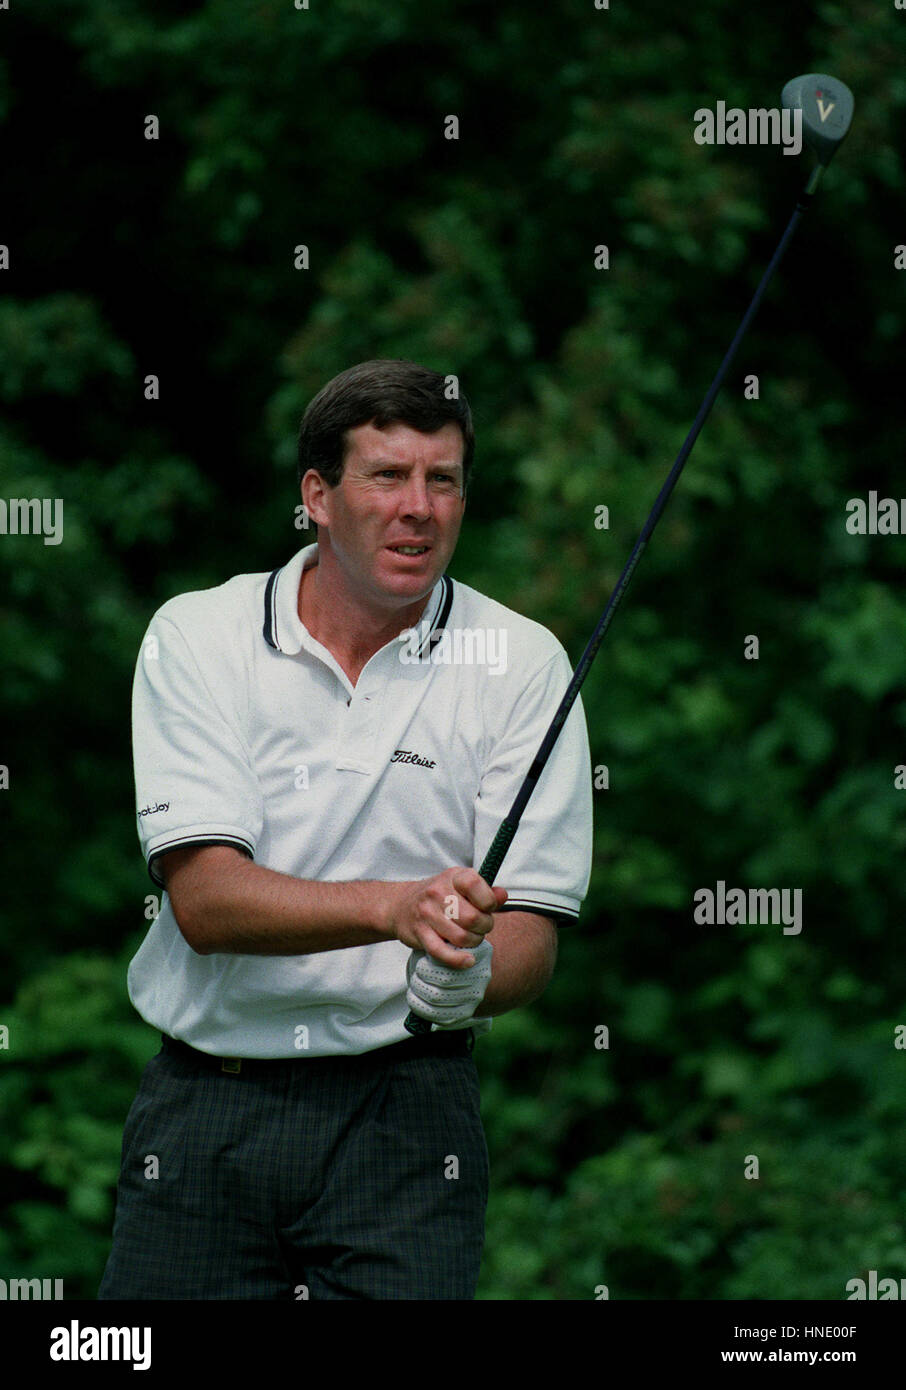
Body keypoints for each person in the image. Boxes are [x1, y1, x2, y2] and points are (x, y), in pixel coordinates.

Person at [98, 358, 592, 1301]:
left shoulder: (524, 663)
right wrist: (401, 910)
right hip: (208, 1108)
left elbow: (532, 926)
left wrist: (477, 974)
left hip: (409, 1117)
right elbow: (207, 902)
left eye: (442, 480)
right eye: (387, 477)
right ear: (318, 496)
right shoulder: (196, 635)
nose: (419, 507)